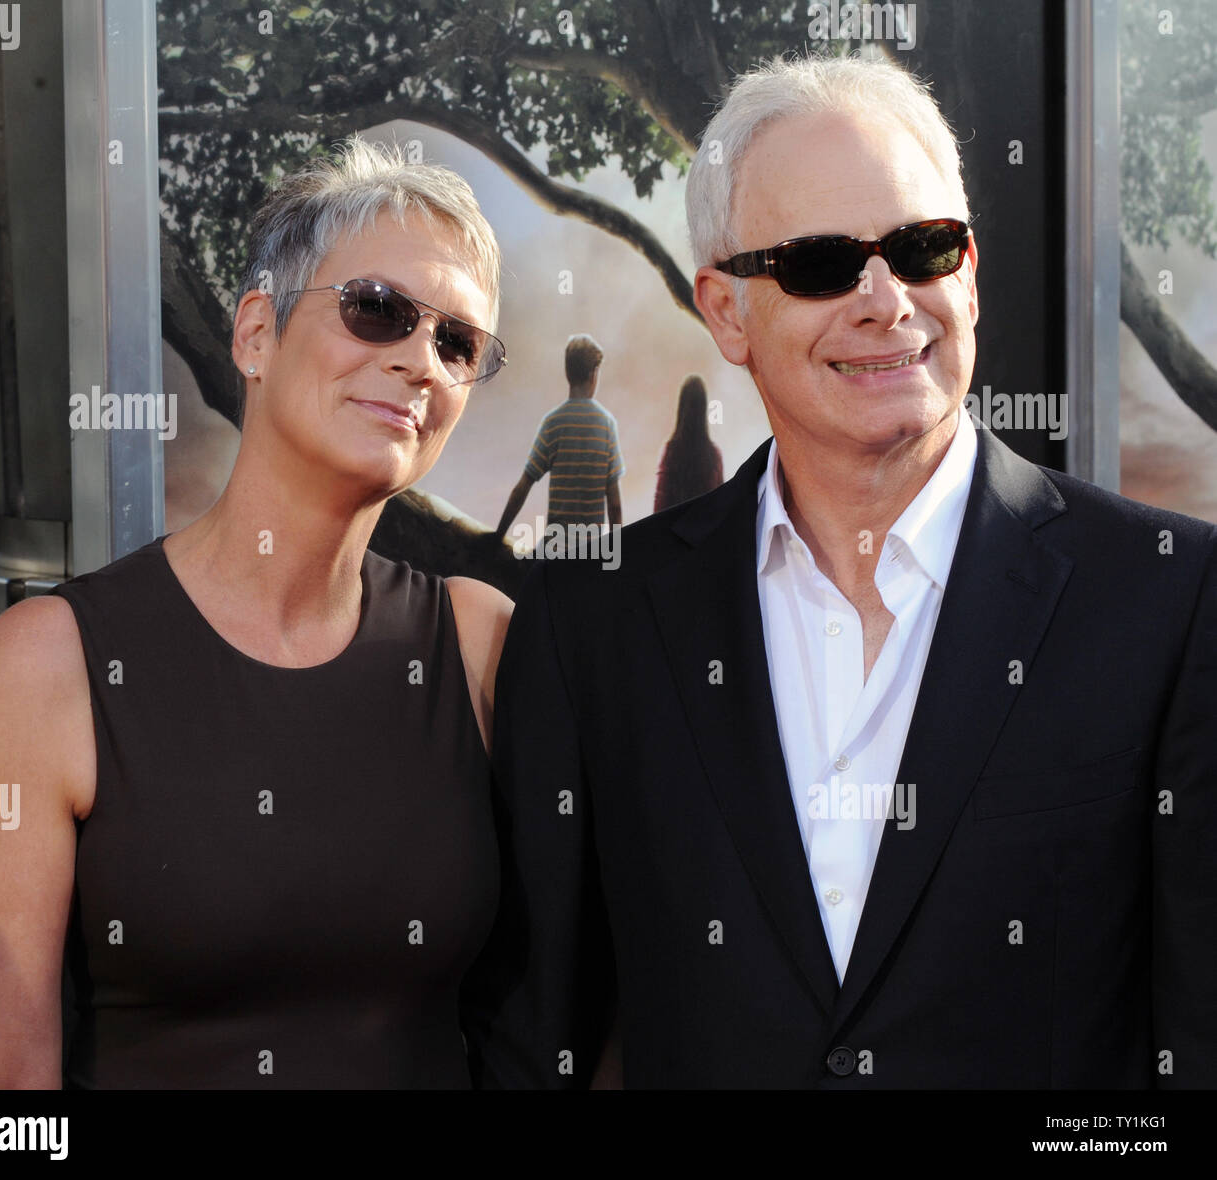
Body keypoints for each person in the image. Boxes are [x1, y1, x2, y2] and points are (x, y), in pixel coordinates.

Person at [464, 55, 1217, 1088]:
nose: (885, 300)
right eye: (821, 263)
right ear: (725, 312)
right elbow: (533, 1041)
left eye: (922, 249)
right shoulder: (591, 618)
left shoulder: (1167, 599)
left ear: (969, 272)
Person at [0, 140, 514, 1089]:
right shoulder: (51, 663)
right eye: (376, 311)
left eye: (458, 344)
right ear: (254, 335)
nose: (418, 360)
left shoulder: (479, 643)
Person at [495, 334, 624, 538]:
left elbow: (522, 488)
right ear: (594, 374)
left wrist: (498, 536)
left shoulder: (552, 423)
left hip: (556, 552)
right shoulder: (606, 425)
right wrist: (619, 550)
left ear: (567, 373)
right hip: (592, 554)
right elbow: (614, 504)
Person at [653, 374, 723, 512]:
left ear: (681, 408)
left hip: (673, 529)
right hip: (705, 530)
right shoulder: (713, 455)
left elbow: (660, 501)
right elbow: (721, 502)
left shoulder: (671, 452)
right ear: (703, 410)